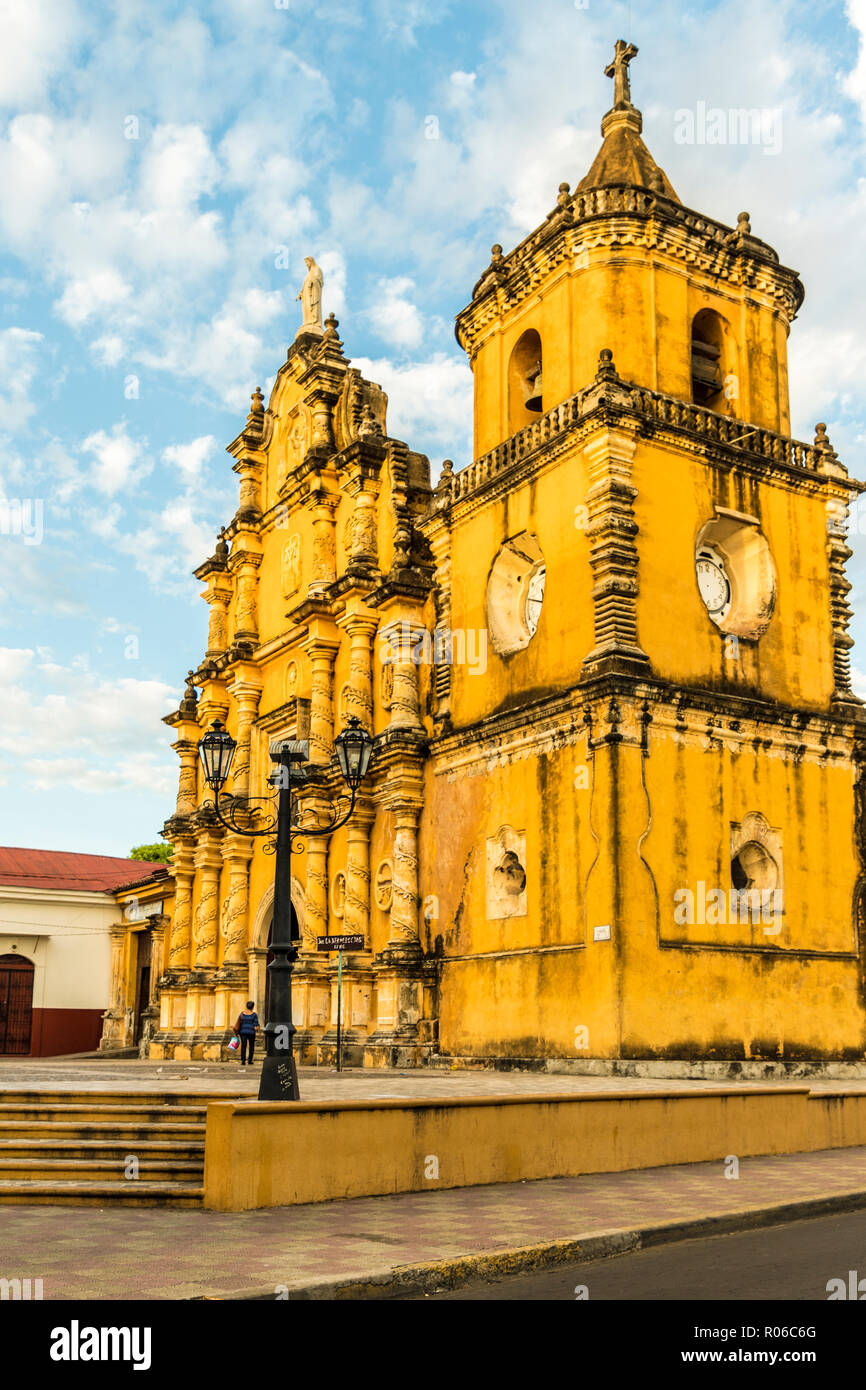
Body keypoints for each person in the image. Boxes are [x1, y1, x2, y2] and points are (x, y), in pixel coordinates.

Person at [235, 1001, 259, 1066]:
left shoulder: (242, 1014)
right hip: (251, 1032)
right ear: (253, 1007)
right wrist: (258, 1031)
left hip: (243, 1032)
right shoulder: (254, 1015)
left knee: (243, 1046)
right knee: (251, 1046)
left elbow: (239, 1022)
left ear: (246, 1006)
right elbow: (256, 1025)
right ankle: (250, 1060)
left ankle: (243, 1060)